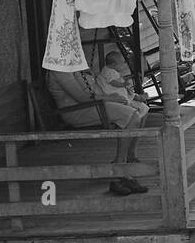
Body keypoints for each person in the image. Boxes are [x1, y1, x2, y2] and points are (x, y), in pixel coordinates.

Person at [46, 63, 150, 195]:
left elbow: (88, 89)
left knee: (135, 112)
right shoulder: (59, 70)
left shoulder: (70, 67)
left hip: (90, 105)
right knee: (131, 116)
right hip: (76, 111)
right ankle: (120, 169)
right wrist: (110, 98)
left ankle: (124, 163)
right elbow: (82, 97)